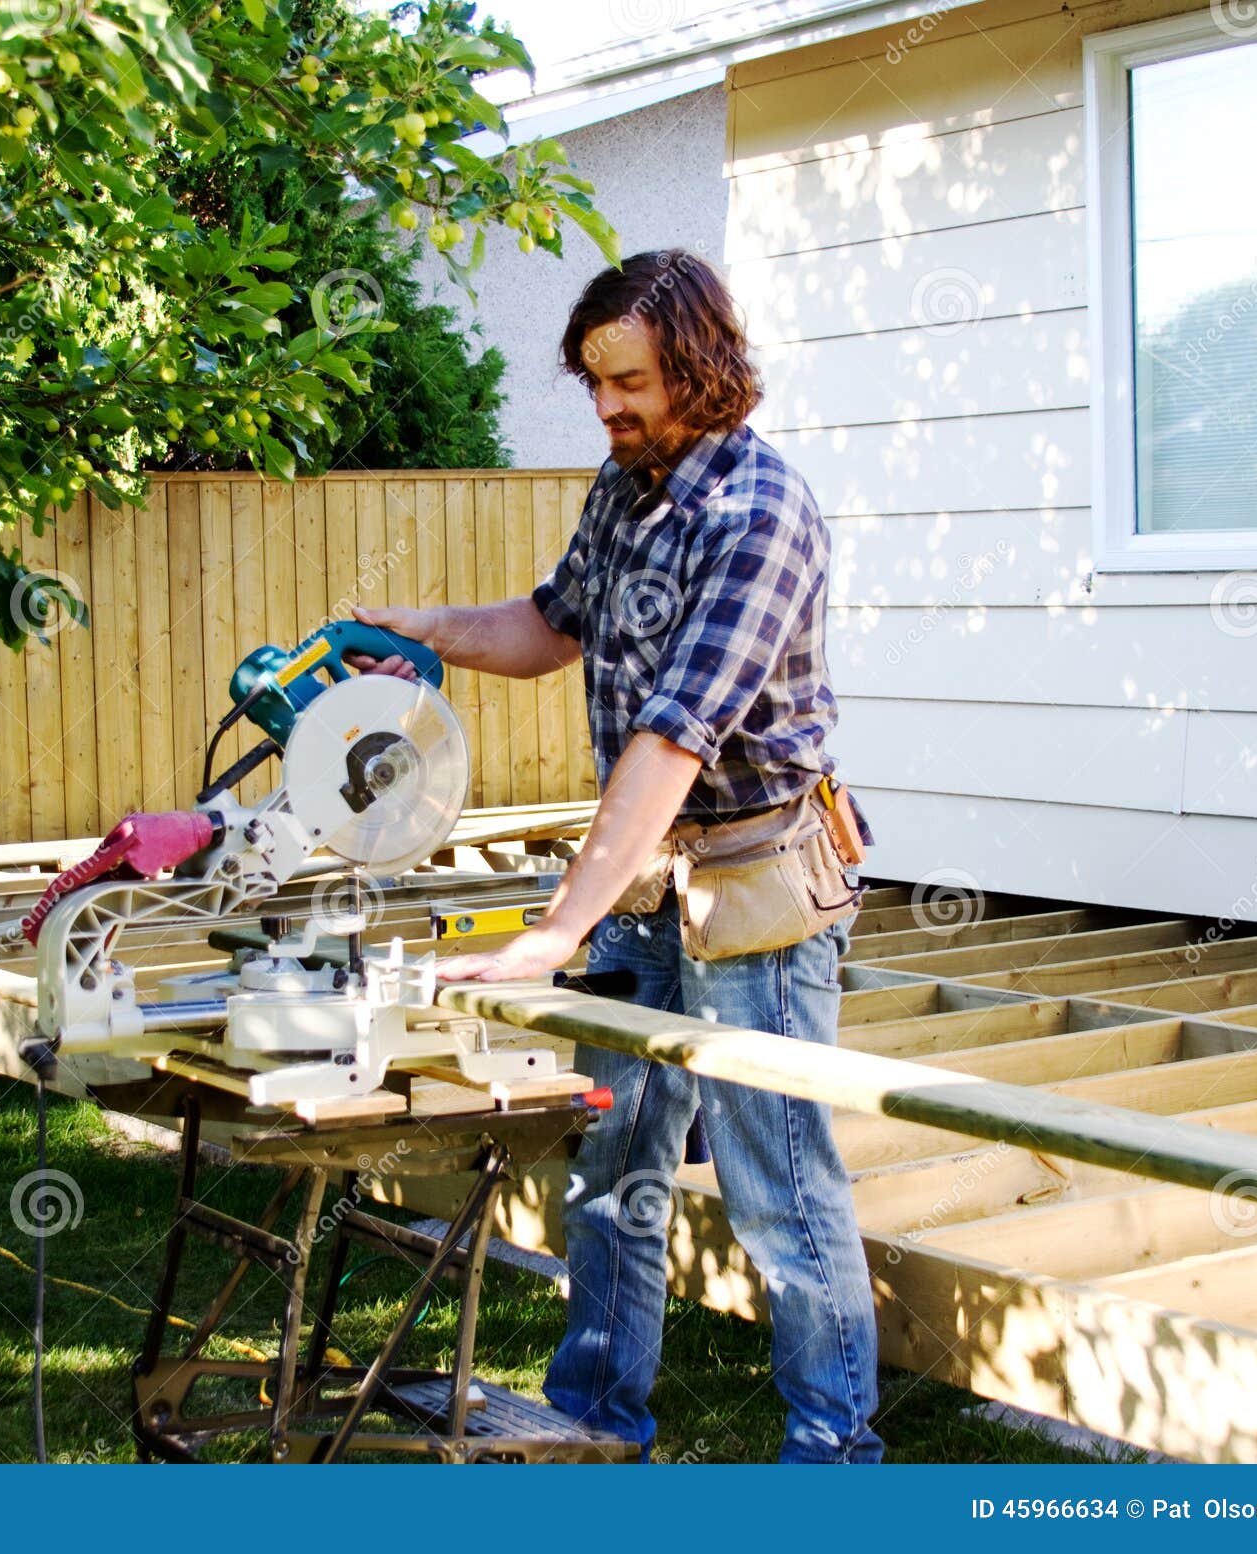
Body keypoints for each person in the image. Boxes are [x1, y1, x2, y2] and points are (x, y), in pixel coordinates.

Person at [348, 249, 881, 1463]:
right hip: (646, 880)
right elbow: (547, 627)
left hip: (755, 892)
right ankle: (594, 1426)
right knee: (613, 1163)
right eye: (594, 385)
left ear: (699, 365)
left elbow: (672, 740)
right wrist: (418, 632)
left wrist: (554, 928)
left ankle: (834, 1458)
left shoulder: (759, 515)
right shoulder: (624, 489)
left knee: (778, 1194)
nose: (608, 408)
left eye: (628, 382)